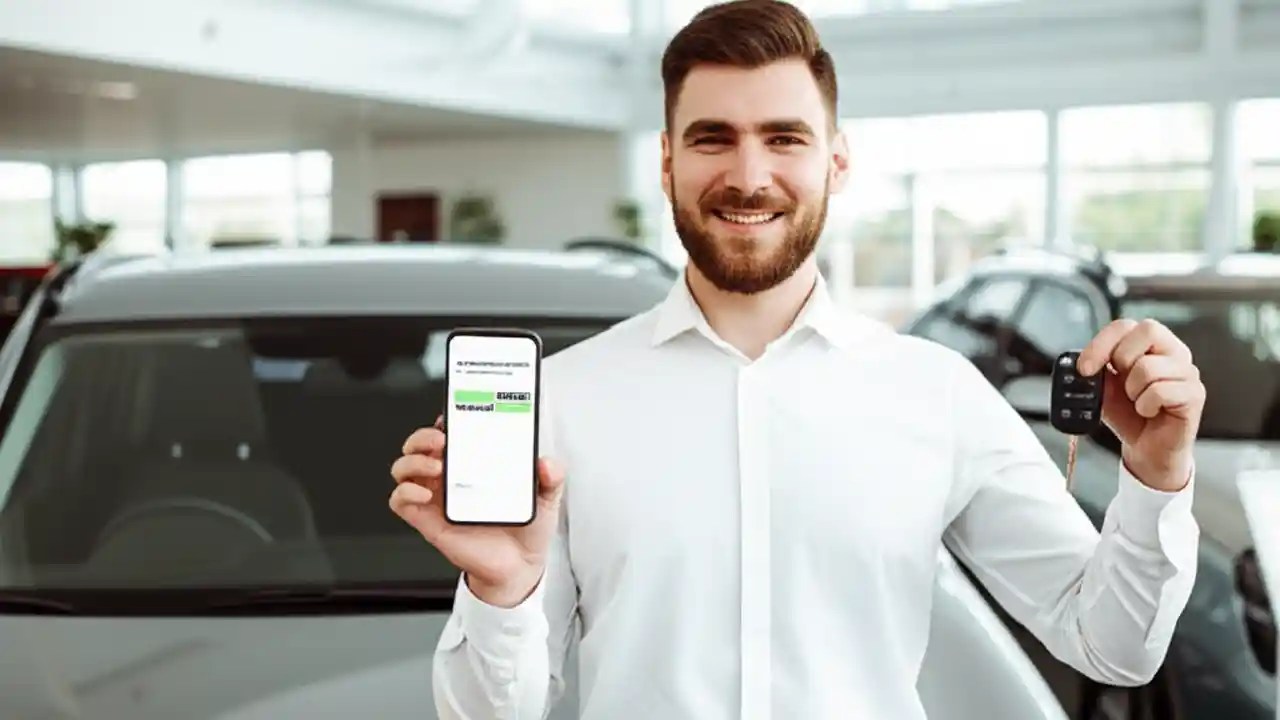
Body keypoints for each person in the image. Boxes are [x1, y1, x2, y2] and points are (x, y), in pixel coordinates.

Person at [389, 1, 1204, 717]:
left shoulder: (938, 393)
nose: (750, 177)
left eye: (784, 138)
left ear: (835, 161)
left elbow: (1114, 647)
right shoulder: (561, 400)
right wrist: (501, 591)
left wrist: (1156, 478)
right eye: (714, 139)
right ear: (668, 159)